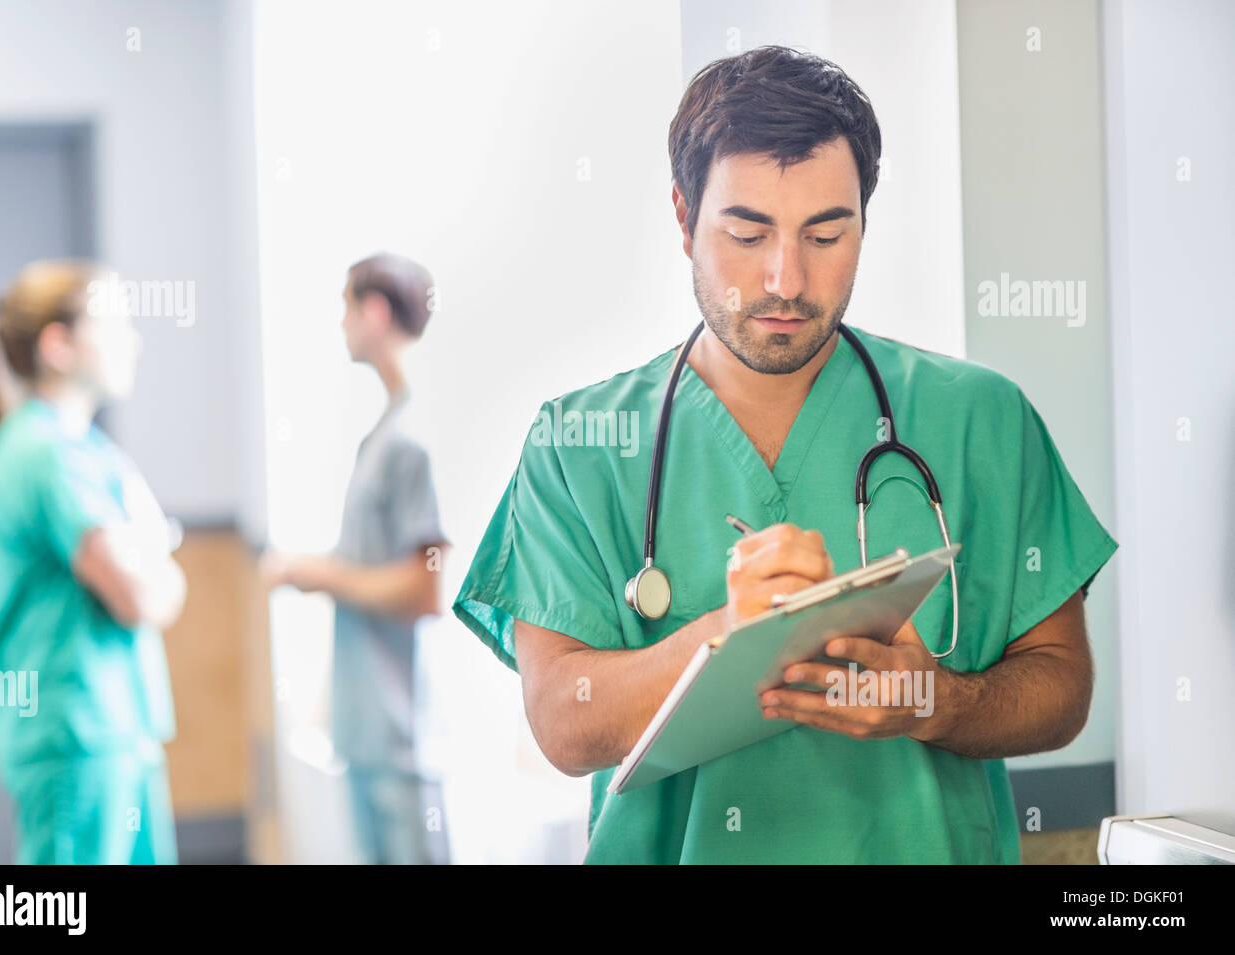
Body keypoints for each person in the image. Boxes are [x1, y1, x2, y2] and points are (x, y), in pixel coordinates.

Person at [452, 46, 1118, 864]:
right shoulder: (578, 448)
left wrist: (933, 704)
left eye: (826, 232)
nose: (785, 278)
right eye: (747, 231)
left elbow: (1062, 689)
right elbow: (562, 722)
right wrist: (728, 637)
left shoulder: (982, 419)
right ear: (681, 214)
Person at [0, 260, 184, 864]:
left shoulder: (83, 450)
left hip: (113, 729)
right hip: (77, 733)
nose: (133, 339)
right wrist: (160, 566)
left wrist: (157, 568)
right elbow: (142, 595)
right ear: (57, 345)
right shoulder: (45, 455)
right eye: (113, 323)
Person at [261, 252, 449, 865]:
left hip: (402, 738)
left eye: (345, 306)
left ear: (373, 311)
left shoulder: (414, 438)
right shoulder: (383, 434)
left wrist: (323, 576)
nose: (341, 323)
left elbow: (426, 588)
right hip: (369, 729)